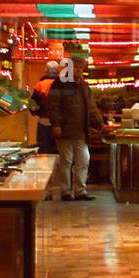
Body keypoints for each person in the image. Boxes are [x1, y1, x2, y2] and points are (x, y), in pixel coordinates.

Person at [44, 59, 102, 201]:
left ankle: (80, 190)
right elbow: (52, 106)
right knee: (66, 161)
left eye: (81, 68)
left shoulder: (83, 86)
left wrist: (99, 124)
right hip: (64, 130)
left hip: (81, 131)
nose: (79, 70)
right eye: (76, 67)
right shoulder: (60, 84)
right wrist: (56, 124)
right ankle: (66, 191)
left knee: (83, 160)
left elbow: (91, 107)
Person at [28, 60, 60, 157]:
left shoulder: (40, 85)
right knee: (58, 151)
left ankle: (45, 169)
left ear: (46, 70)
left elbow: (33, 104)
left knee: (43, 151)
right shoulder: (63, 85)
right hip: (59, 123)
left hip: (44, 121)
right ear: (58, 71)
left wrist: (36, 112)